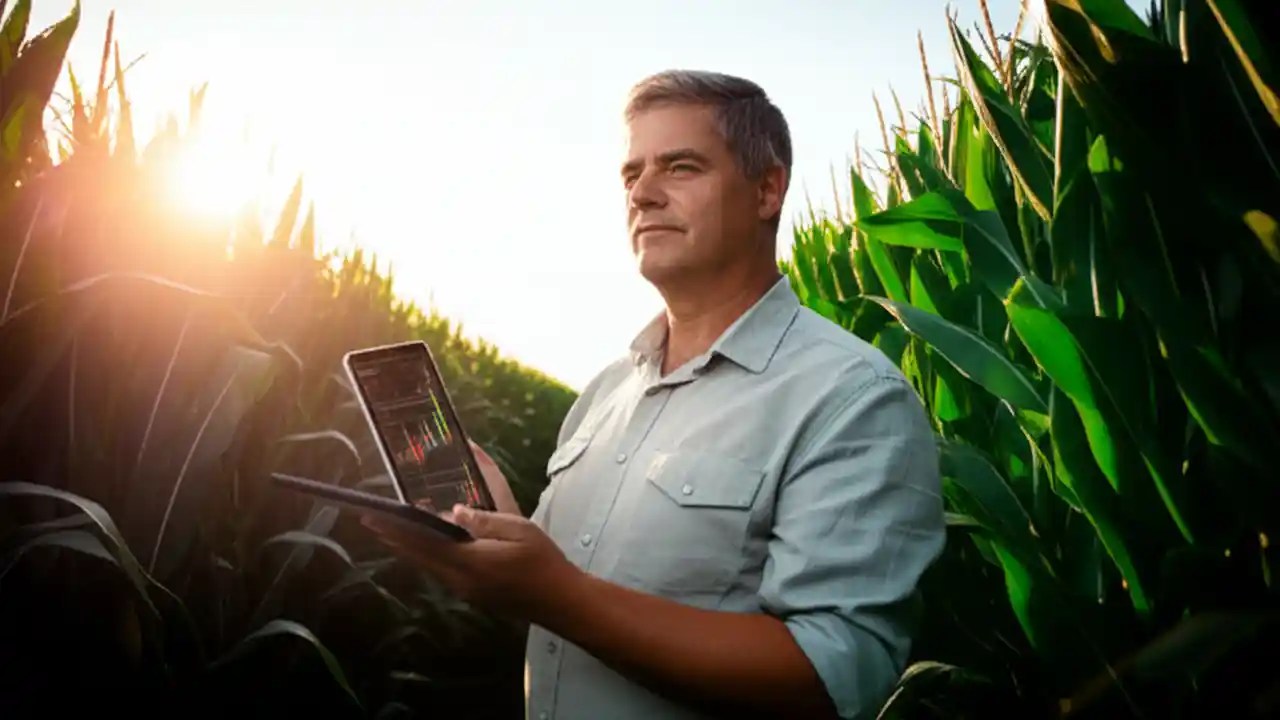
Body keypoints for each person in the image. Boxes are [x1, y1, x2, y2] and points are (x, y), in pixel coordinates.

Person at [364, 69, 946, 720]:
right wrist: (499, 546)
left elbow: (828, 675)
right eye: (630, 174)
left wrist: (558, 595)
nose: (642, 193)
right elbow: (563, 598)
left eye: (681, 167)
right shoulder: (606, 392)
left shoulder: (851, 399)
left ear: (767, 190)